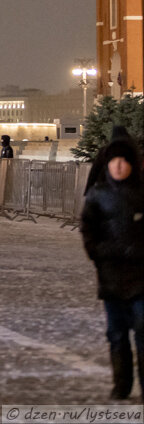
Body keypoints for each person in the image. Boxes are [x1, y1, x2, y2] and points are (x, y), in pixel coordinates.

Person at [80, 132, 144, 399]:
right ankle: (121, 384)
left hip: (141, 277)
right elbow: (88, 231)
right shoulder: (98, 195)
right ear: (107, 164)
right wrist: (101, 253)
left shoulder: (141, 193)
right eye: (114, 160)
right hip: (110, 277)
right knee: (116, 334)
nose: (118, 165)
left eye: (123, 160)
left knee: (143, 332)